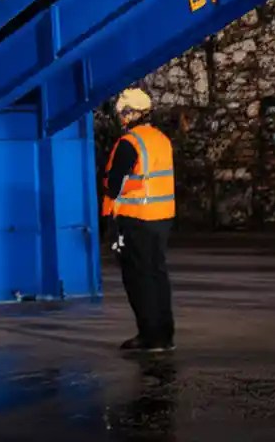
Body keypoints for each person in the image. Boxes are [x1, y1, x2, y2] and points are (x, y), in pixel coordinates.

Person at [102, 88, 176, 352]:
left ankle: (149, 336)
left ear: (131, 113)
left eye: (123, 112)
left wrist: (109, 219)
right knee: (157, 275)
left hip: (135, 219)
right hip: (161, 218)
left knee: (138, 278)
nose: (120, 118)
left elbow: (115, 185)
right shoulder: (160, 139)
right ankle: (164, 335)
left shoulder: (129, 143)